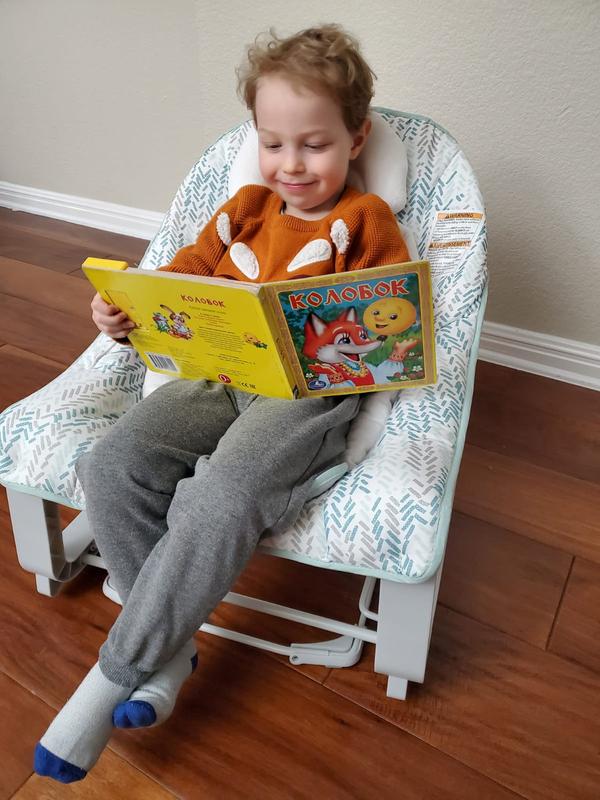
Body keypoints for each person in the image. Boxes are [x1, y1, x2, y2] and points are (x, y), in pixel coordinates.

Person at [34, 24, 410, 783]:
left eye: (314, 145)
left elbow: (392, 321)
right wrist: (120, 314)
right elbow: (174, 282)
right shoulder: (243, 209)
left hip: (304, 396)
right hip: (214, 378)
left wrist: (360, 330)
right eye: (272, 143)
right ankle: (171, 655)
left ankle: (111, 676)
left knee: (221, 495)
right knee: (113, 465)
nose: (291, 164)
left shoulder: (367, 221)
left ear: (356, 138)